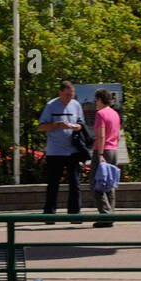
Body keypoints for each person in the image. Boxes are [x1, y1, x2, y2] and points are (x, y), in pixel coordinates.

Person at [38, 79, 86, 224]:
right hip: (55, 151)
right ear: (60, 93)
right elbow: (41, 126)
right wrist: (57, 124)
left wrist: (77, 127)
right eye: (66, 95)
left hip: (72, 150)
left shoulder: (76, 105)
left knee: (75, 183)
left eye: (71, 95)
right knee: (53, 183)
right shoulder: (51, 105)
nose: (69, 98)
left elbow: (81, 123)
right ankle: (49, 215)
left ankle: (74, 214)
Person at [91, 88, 120, 228]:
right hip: (114, 150)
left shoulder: (101, 114)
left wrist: (100, 154)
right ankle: (111, 214)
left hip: (103, 150)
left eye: (96, 99)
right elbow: (117, 135)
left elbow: (101, 135)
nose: (95, 102)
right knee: (109, 184)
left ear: (100, 99)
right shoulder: (115, 114)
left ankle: (105, 215)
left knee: (97, 183)